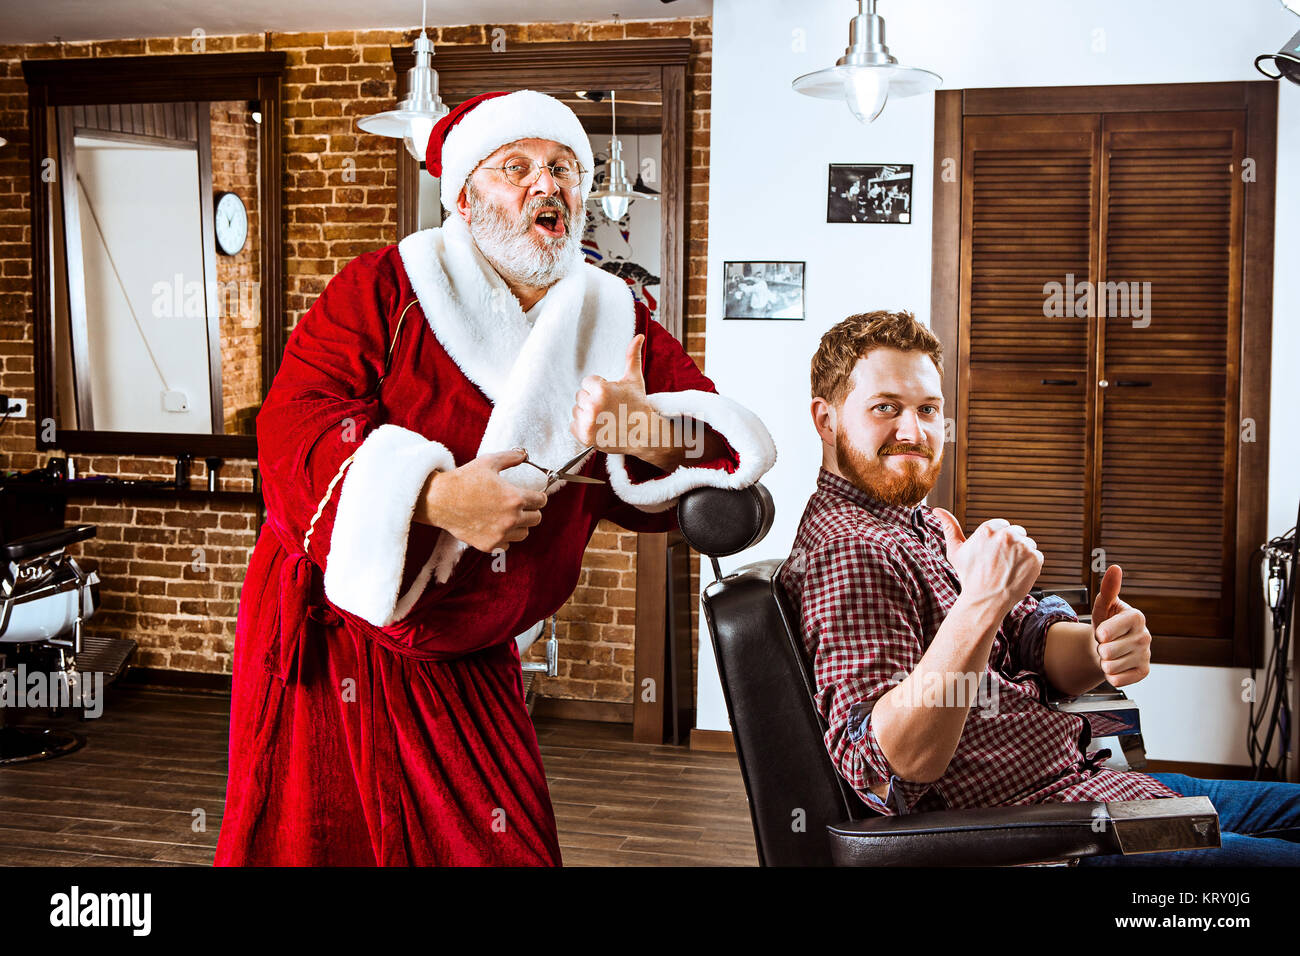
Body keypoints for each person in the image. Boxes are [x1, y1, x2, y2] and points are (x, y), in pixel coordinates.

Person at [214, 90, 777, 866]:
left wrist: (642, 430)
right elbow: (292, 430)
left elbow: (718, 443)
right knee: (322, 842)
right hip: (340, 632)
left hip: (475, 648)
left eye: (563, 169)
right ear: (466, 196)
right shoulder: (385, 288)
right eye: (516, 167)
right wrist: (437, 497)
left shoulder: (615, 317)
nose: (546, 185)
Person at [778, 309, 1300, 865]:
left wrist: (1100, 645)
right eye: (886, 408)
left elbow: (1030, 642)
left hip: (1096, 789)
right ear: (826, 419)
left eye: (928, 409)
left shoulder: (922, 525)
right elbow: (887, 762)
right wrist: (981, 600)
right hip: (1053, 836)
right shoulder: (851, 550)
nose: (914, 431)